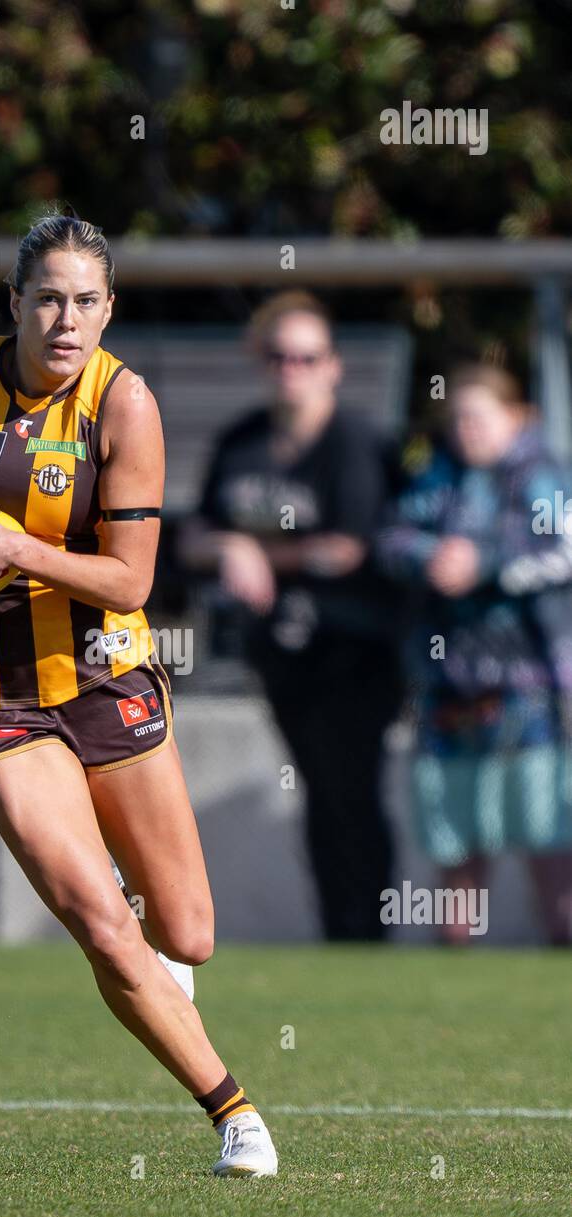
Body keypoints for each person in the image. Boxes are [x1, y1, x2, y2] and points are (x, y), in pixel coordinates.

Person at [0, 205, 278, 1177]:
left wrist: (14, 548)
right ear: (12, 301)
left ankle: (157, 973)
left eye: (85, 302)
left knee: (187, 931)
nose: (64, 321)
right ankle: (234, 1114)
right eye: (46, 298)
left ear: (107, 309)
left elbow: (131, 581)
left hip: (103, 673)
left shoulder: (122, 403)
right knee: (98, 916)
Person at [182, 291, 402, 942]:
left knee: (350, 789)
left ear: (332, 365)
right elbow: (196, 535)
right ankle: (339, 930)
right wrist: (232, 545)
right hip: (278, 650)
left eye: (308, 358)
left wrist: (261, 555)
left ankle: (366, 931)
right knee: (317, 787)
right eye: (279, 357)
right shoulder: (243, 440)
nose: (292, 370)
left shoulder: (356, 441)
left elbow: (348, 548)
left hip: (355, 648)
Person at [377, 364, 572, 945]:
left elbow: (559, 549)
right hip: (449, 688)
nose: (467, 429)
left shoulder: (544, 478)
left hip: (532, 689)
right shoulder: (435, 475)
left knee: (549, 833)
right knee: (456, 835)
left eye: (479, 416)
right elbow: (389, 538)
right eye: (457, 417)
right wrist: (431, 556)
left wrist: (483, 562)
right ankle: (453, 980)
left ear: (516, 417)